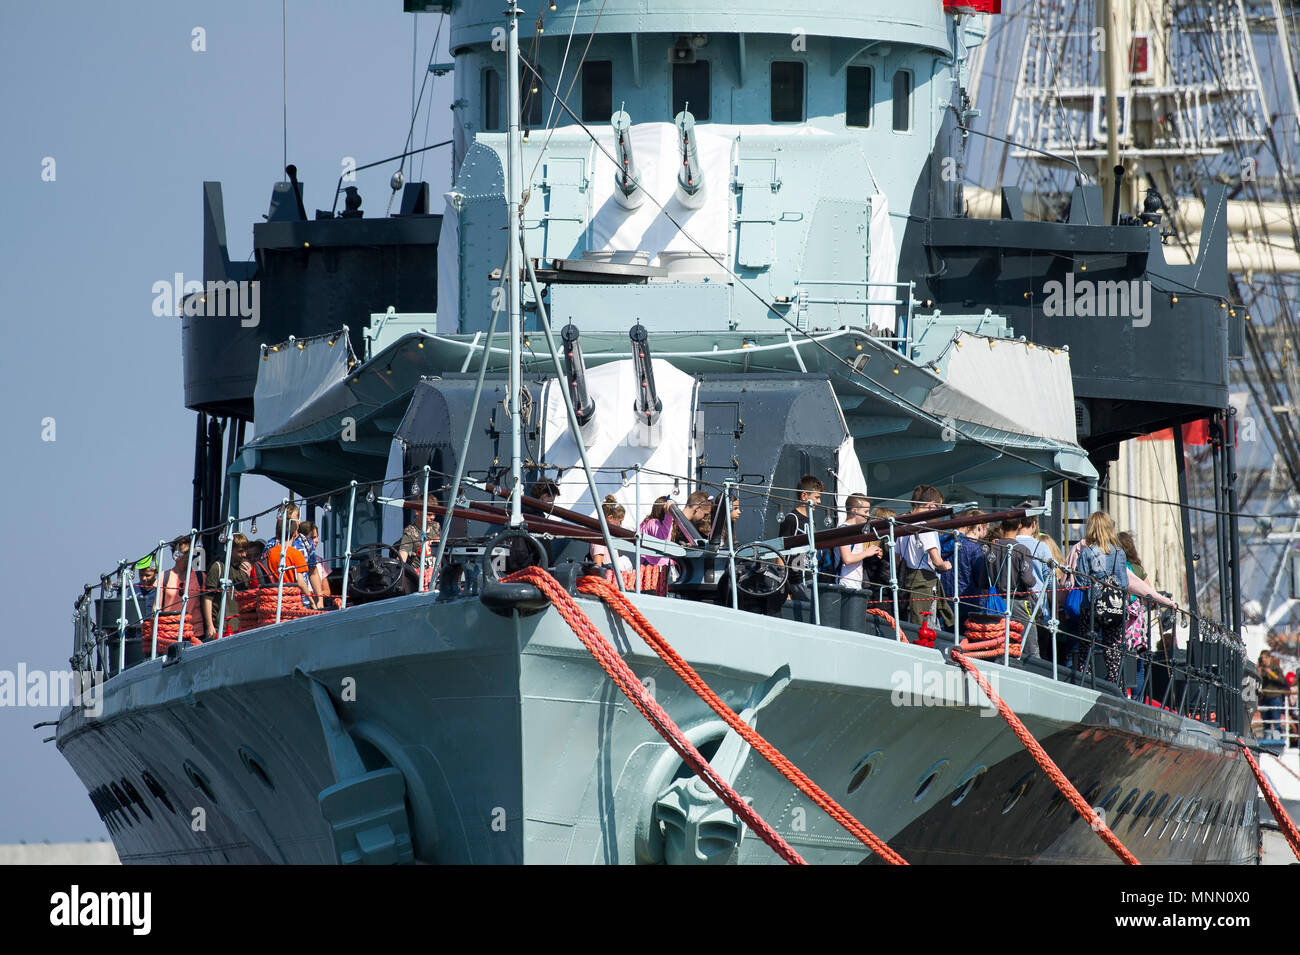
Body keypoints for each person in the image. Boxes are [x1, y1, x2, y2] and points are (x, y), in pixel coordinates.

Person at [1077, 511, 1175, 686]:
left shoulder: (1087, 553)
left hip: (1091, 606)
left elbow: (1081, 580)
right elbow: (1123, 582)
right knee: (1113, 650)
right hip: (1115, 606)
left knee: (1087, 647)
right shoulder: (1118, 553)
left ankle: (1085, 682)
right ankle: (1117, 687)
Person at [984, 519, 1041, 659]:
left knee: (996, 642)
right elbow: (1028, 580)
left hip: (995, 603)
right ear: (1019, 526)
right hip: (1018, 603)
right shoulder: (1022, 550)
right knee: (1029, 645)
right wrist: (1034, 581)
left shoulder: (991, 548)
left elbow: (983, 580)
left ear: (1002, 525)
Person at [898, 485, 952, 626]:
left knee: (910, 623)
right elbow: (936, 560)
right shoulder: (925, 527)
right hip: (924, 586)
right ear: (931, 506)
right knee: (925, 625)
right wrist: (945, 565)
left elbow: (898, 558)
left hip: (906, 583)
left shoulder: (902, 524)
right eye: (939, 508)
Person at [202, 533, 252, 639]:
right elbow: (207, 598)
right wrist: (209, 626)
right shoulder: (218, 568)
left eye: (245, 551)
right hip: (221, 627)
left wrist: (250, 578)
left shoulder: (245, 569)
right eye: (240, 551)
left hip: (241, 626)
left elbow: (250, 597)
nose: (244, 555)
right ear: (230, 549)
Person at [157, 535, 204, 636]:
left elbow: (206, 603)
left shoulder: (201, 577)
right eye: (185, 553)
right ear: (175, 554)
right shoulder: (163, 577)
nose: (189, 556)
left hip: (195, 632)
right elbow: (156, 607)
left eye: (190, 552)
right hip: (170, 632)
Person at [836, 494, 881, 589]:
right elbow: (847, 559)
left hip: (855, 583)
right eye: (866, 511)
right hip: (845, 584)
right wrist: (866, 553)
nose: (868, 515)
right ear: (854, 511)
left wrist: (872, 552)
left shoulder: (855, 531)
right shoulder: (845, 530)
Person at [863, 505, 898, 603]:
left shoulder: (866, 543)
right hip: (882, 593)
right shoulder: (884, 544)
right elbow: (885, 573)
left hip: (870, 591)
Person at [590, 495, 633, 572]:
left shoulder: (608, 536)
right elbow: (597, 566)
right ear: (610, 518)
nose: (620, 525)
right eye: (620, 521)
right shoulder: (600, 538)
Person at [638, 496, 673, 566]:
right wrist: (668, 516)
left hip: (647, 562)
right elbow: (664, 539)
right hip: (656, 564)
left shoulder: (645, 523)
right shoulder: (653, 523)